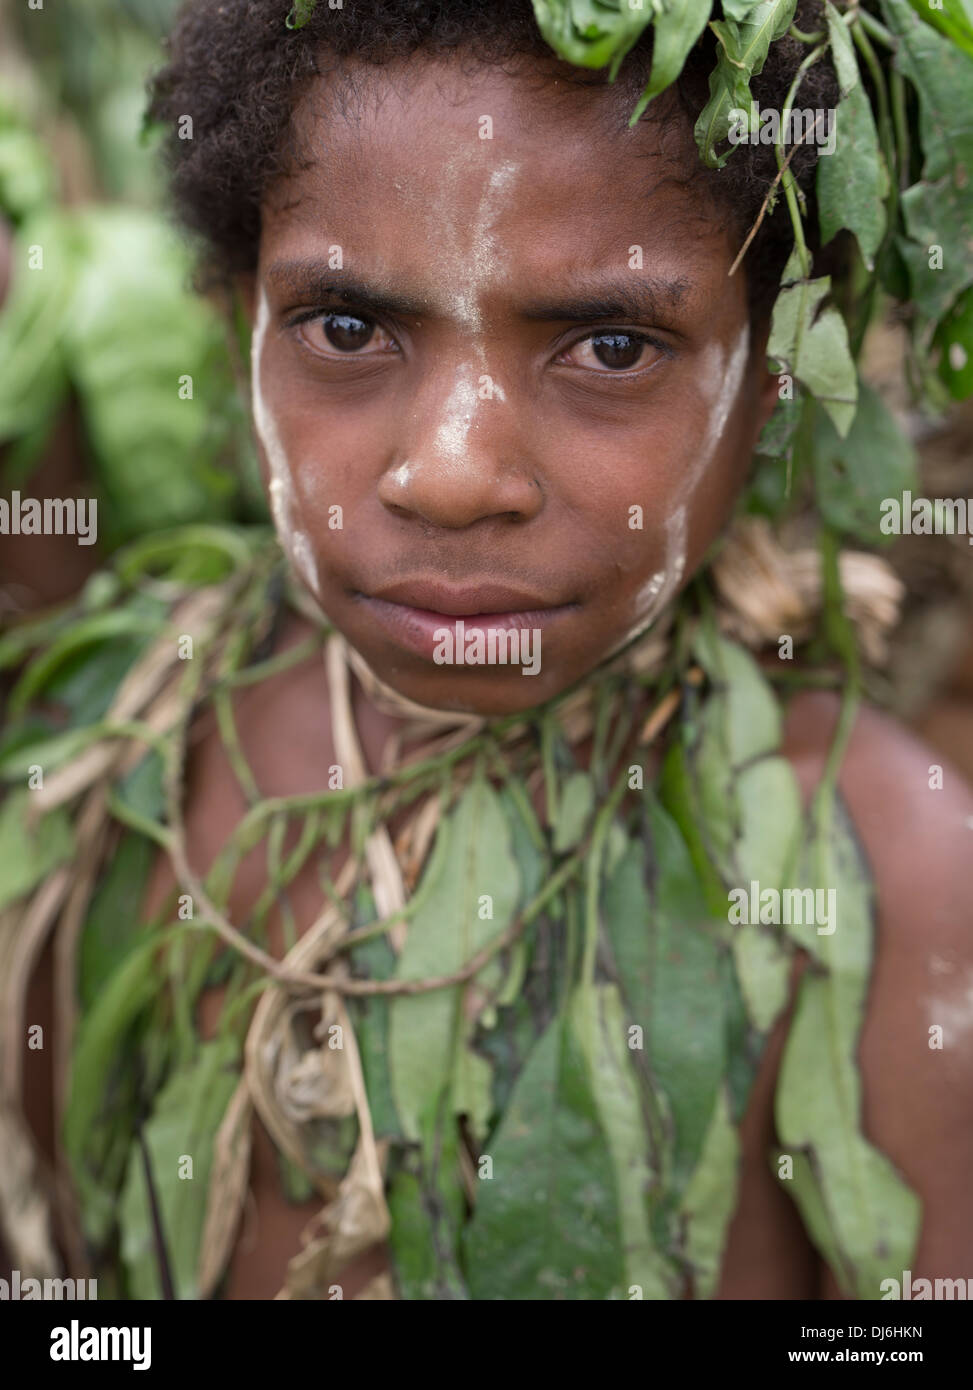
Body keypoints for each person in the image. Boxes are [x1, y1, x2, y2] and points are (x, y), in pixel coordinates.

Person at [3, 0, 972, 1302]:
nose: (451, 476)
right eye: (347, 328)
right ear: (239, 312)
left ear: (778, 372)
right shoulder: (100, 785)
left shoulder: (898, 883)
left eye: (610, 345)